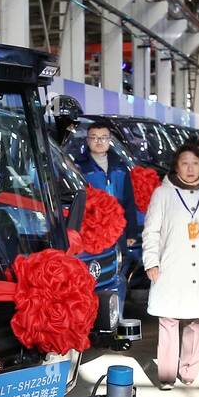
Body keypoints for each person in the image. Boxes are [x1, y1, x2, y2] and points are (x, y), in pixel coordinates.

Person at [143, 144, 199, 390]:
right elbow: (151, 231)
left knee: (196, 321)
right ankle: (167, 375)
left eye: (195, 164)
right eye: (185, 163)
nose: (190, 169)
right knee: (169, 319)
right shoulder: (163, 194)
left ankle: (189, 370)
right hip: (171, 265)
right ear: (176, 166)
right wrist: (151, 262)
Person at [74, 121, 141, 308]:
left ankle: (116, 314)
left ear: (109, 140)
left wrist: (131, 232)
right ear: (87, 140)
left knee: (118, 271)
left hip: (117, 229)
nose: (99, 141)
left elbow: (129, 201)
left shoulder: (120, 166)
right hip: (92, 230)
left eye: (103, 137)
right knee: (94, 272)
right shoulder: (79, 167)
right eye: (94, 137)